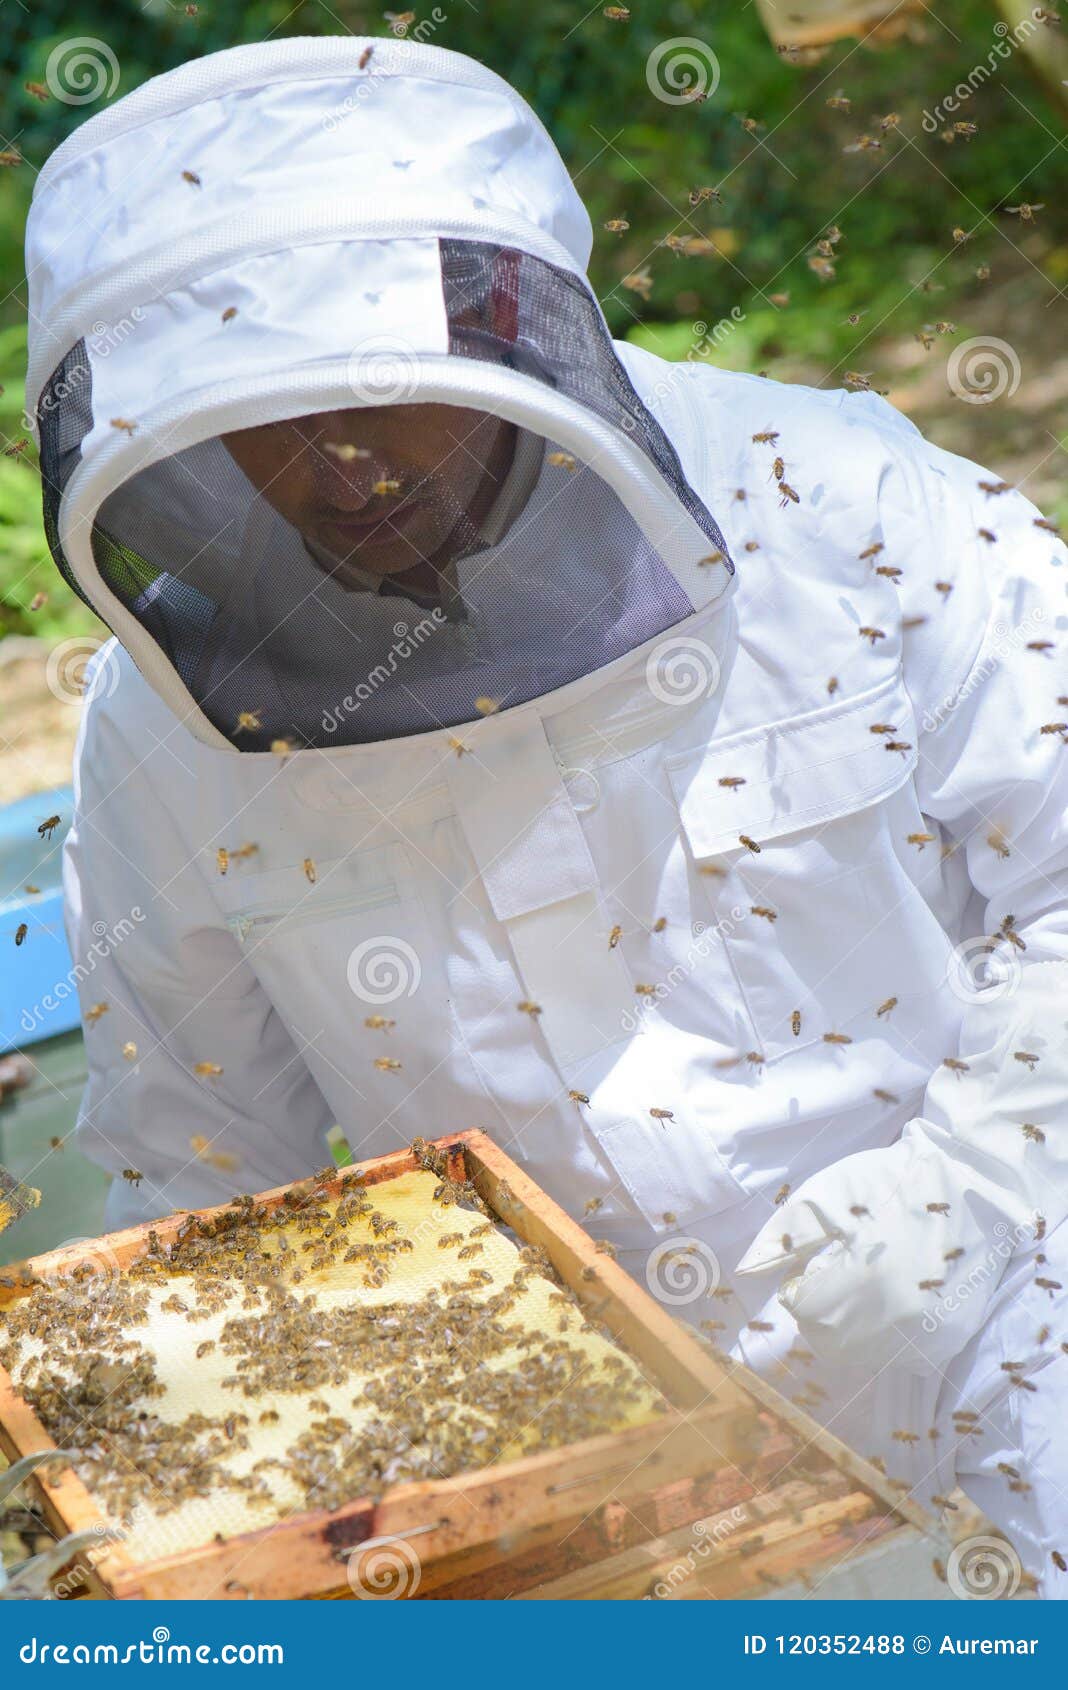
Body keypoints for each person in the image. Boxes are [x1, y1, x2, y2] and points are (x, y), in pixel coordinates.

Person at [25, 37, 1068, 1593]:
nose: (341, 467)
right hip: (565, 1504)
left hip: (1010, 1358)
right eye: (264, 422)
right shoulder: (169, 729)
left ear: (504, 323)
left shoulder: (848, 504)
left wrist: (935, 1227)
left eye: (373, 398)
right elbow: (193, 1153)